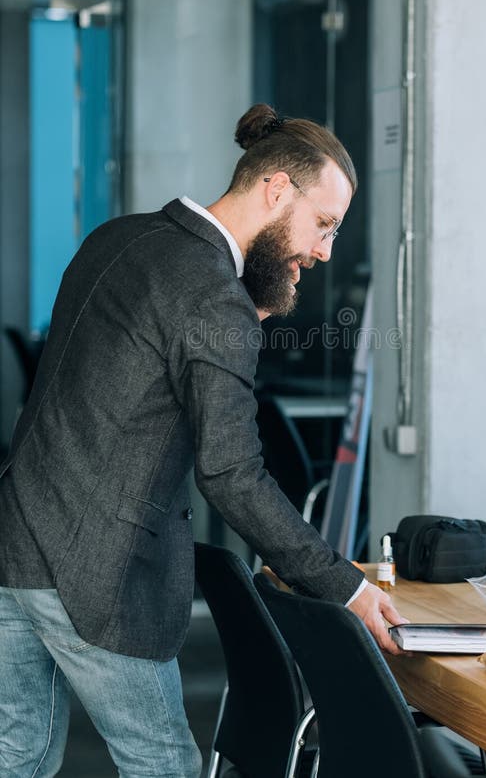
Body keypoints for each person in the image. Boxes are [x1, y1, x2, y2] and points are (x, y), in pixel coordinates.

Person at [0, 103, 404, 777]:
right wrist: (349, 588)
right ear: (277, 188)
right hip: (97, 574)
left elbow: (121, 384)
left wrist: (247, 310)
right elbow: (231, 474)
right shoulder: (212, 297)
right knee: (164, 768)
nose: (325, 251)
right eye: (324, 224)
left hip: (16, 544)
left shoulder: (120, 237)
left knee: (18, 760)